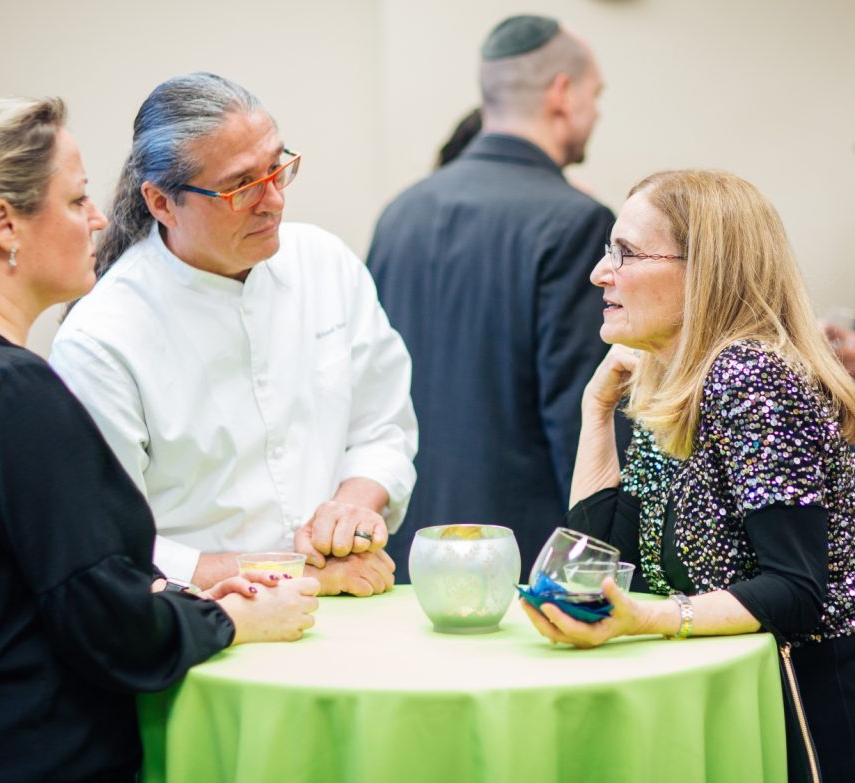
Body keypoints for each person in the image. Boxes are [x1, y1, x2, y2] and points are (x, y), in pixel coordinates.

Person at [0, 97, 319, 782]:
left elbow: (22, 593)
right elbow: (109, 624)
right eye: (76, 200)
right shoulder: (10, 392)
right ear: (4, 225)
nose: (99, 219)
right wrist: (233, 620)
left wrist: (189, 598)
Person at [520, 169, 855, 782]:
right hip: (733, 696)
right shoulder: (675, 384)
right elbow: (595, 572)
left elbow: (796, 591)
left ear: (705, 273)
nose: (599, 273)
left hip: (808, 709)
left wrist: (649, 618)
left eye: (625, 253)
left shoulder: (752, 378)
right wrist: (596, 412)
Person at [50, 73, 417, 596]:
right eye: (241, 187)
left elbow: (383, 428)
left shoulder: (324, 264)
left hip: (346, 594)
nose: (273, 201)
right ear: (161, 203)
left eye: (276, 168)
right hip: (201, 620)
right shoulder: (103, 339)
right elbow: (111, 542)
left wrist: (352, 507)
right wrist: (294, 570)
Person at [366, 15, 614, 582]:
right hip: (517, 560)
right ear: (562, 93)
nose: (597, 112)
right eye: (595, 95)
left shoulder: (400, 213)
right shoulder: (575, 222)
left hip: (404, 553)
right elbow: (583, 415)